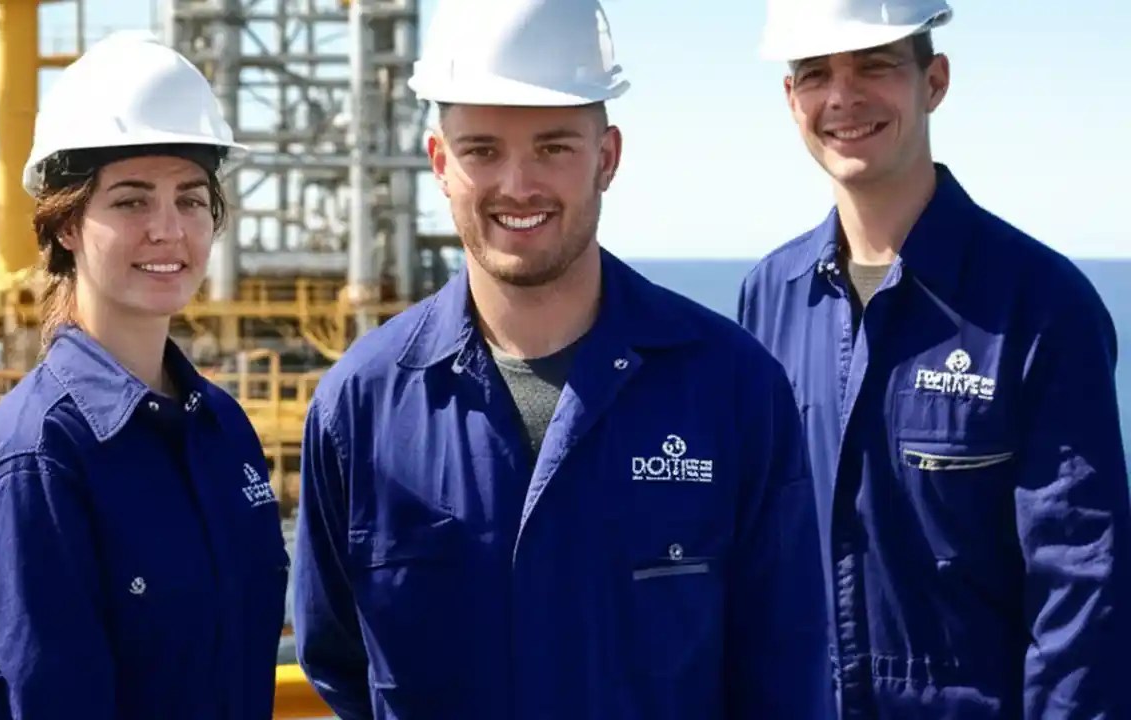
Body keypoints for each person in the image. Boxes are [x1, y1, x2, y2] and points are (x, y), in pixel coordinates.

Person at [292, 0, 831, 718]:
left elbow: (785, 667)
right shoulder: (361, 406)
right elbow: (337, 660)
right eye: (483, 150)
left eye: (553, 148)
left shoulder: (732, 387)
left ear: (607, 159)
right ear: (440, 163)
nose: (519, 185)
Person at [738, 1, 1131, 717]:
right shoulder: (770, 295)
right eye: (816, 73)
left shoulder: (1040, 306)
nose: (843, 97)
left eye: (875, 66)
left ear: (935, 81)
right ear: (791, 99)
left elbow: (1081, 583)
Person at [0, 32, 289, 719]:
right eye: (131, 201)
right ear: (66, 225)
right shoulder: (35, 464)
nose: (169, 229)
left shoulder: (221, 428)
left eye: (191, 199)